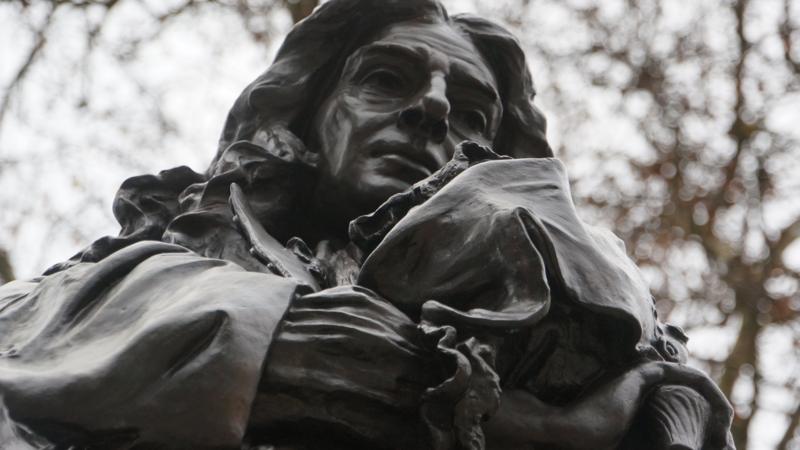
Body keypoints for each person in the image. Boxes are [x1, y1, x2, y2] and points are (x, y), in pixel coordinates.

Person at [0, 0, 733, 449]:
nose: (434, 109)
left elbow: (675, 410)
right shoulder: (140, 268)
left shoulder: (573, 334)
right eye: (385, 79)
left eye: (472, 115)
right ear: (306, 117)